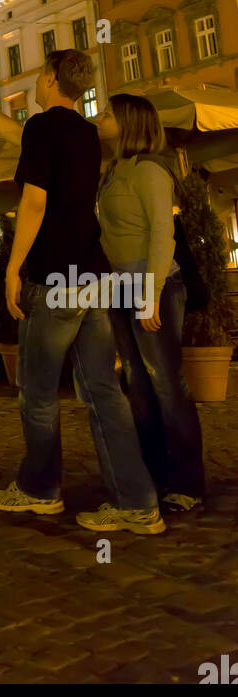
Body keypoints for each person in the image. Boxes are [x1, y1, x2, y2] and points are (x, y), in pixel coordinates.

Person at [0, 50, 165, 534]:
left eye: (41, 74)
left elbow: (34, 203)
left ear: (52, 77)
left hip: (54, 277)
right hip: (93, 276)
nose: (38, 82)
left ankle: (40, 490)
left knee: (37, 393)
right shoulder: (87, 134)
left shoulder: (43, 126)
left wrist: (12, 268)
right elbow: (26, 147)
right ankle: (138, 502)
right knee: (104, 391)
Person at [95, 94, 205, 512]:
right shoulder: (112, 170)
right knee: (138, 387)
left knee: (166, 383)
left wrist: (151, 291)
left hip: (151, 284)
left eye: (106, 113)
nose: (99, 117)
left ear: (128, 123)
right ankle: (154, 476)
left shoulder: (148, 170)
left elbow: (163, 232)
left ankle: (188, 484)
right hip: (121, 286)